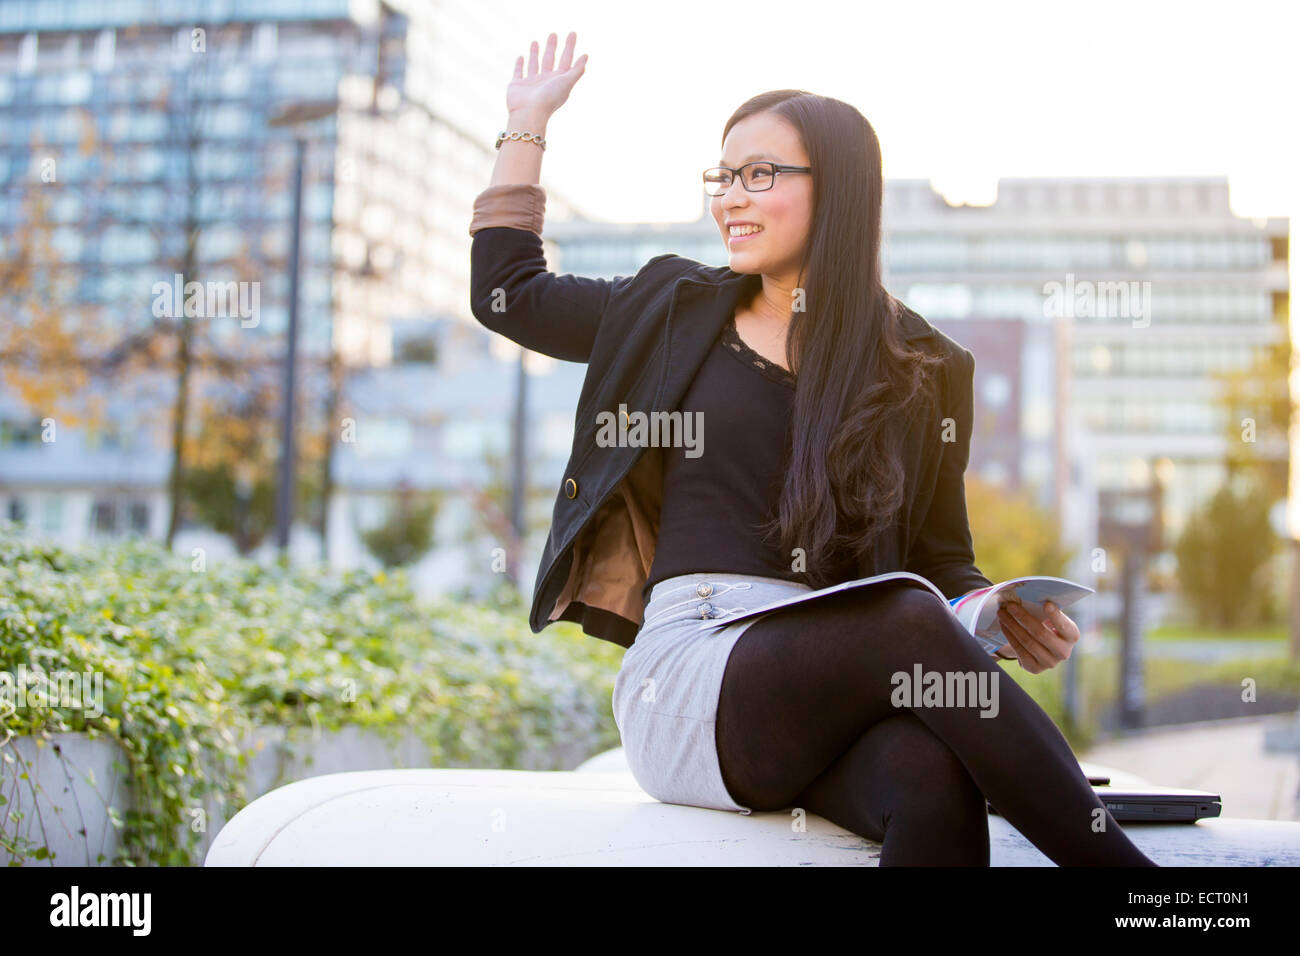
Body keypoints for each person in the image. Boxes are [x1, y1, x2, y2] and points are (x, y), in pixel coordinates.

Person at [469, 31, 1157, 867]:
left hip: (844, 685)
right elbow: (509, 295)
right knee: (904, 619)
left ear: (838, 190)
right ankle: (1141, 893)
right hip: (694, 676)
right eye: (722, 176)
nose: (730, 198)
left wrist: (1002, 616)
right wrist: (526, 125)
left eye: (759, 174)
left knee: (933, 780)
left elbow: (944, 564)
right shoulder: (673, 310)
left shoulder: (929, 366)